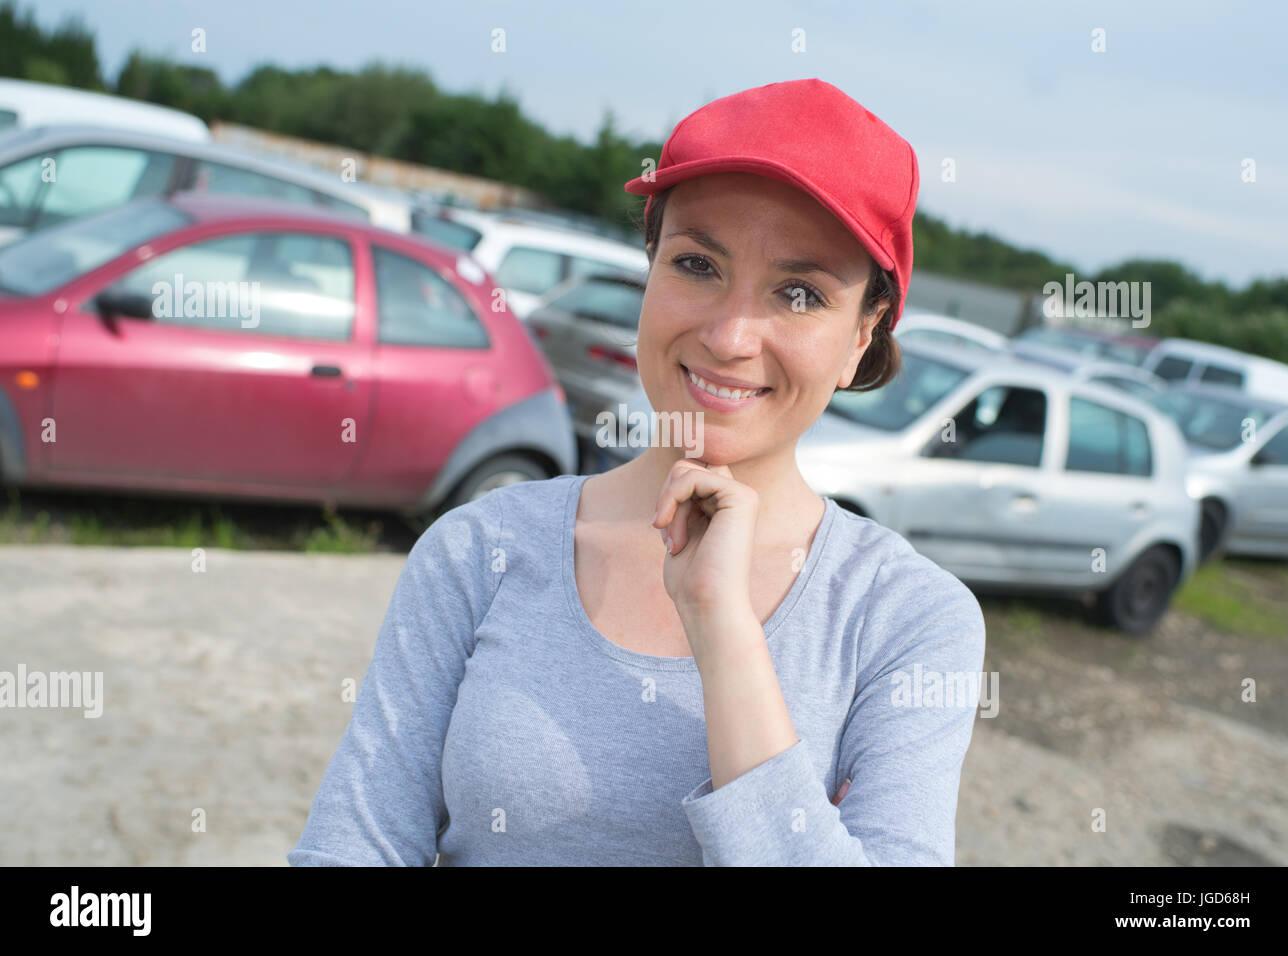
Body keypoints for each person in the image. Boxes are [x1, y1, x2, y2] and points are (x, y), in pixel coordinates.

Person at [288, 78, 986, 866]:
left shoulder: (908, 619)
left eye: (799, 292)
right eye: (697, 264)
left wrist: (722, 625)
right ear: (649, 272)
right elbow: (354, 848)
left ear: (865, 334)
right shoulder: (479, 549)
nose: (729, 335)